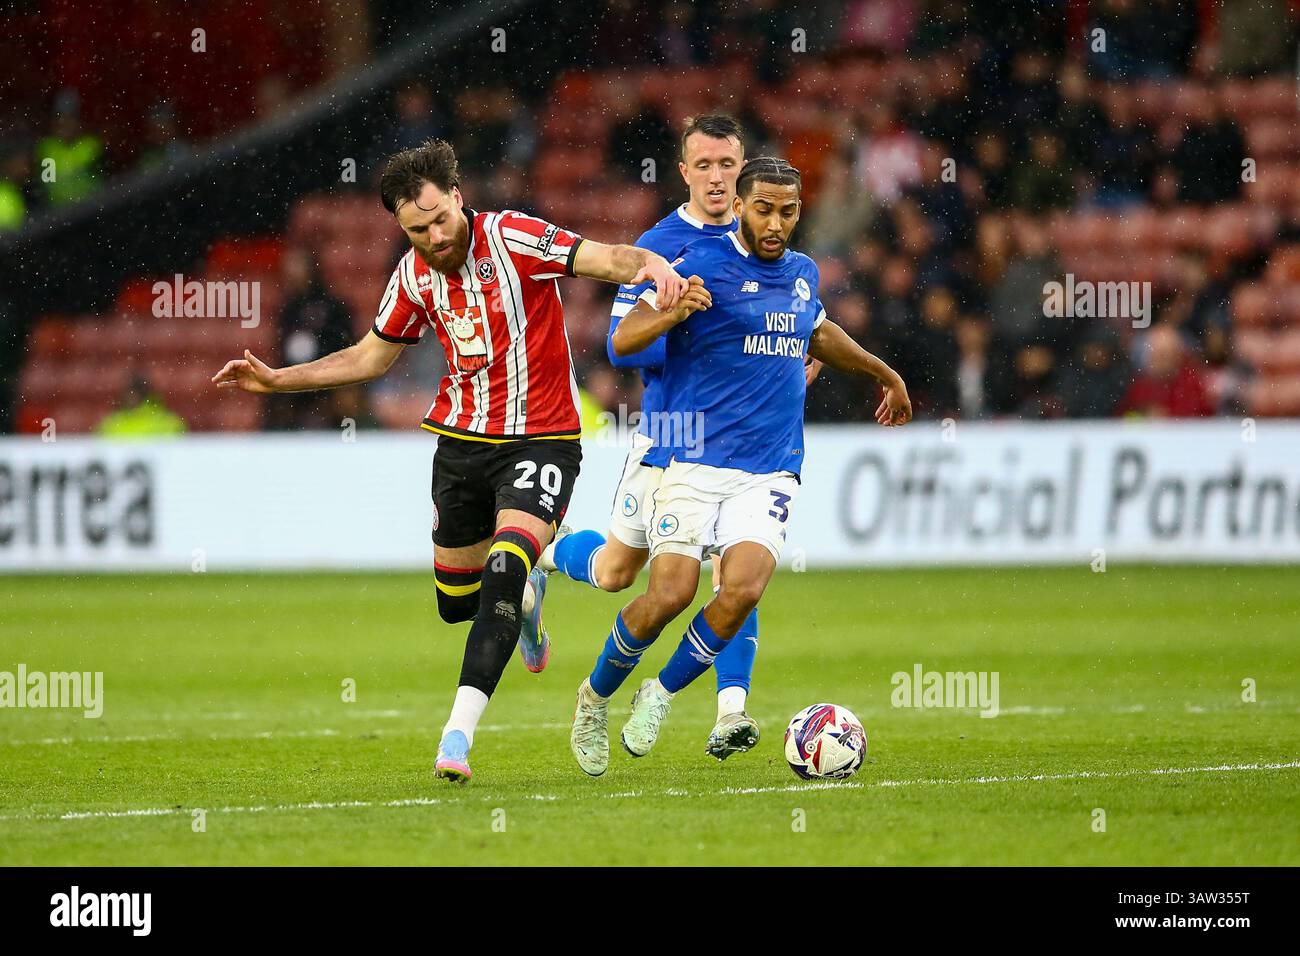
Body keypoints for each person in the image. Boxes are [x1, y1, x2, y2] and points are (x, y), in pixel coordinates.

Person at [212, 139, 687, 784]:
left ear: (458, 197)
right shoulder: (411, 276)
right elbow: (368, 358)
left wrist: (652, 266)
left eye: (440, 217)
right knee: (456, 604)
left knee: (500, 570)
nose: (434, 235)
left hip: (541, 438)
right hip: (460, 447)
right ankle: (537, 573)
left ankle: (456, 736)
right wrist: (277, 380)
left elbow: (602, 257)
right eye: (417, 228)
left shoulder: (516, 238)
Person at [565, 157, 911, 776]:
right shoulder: (699, 264)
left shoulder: (803, 274)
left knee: (743, 589)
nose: (776, 223)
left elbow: (819, 333)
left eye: (788, 211)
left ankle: (662, 694)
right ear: (743, 207)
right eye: (764, 209)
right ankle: (593, 696)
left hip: (770, 467)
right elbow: (621, 342)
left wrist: (886, 372)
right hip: (693, 460)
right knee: (668, 593)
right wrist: (673, 312)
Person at [539, 115, 821, 763]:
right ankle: (548, 555)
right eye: (706, 166)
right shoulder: (661, 244)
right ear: (685, 172)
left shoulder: (768, 239)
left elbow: (791, 320)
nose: (719, 178)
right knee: (619, 574)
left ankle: (730, 711)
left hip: (743, 449)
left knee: (735, 570)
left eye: (729, 165)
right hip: (673, 435)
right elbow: (624, 348)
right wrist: (677, 311)